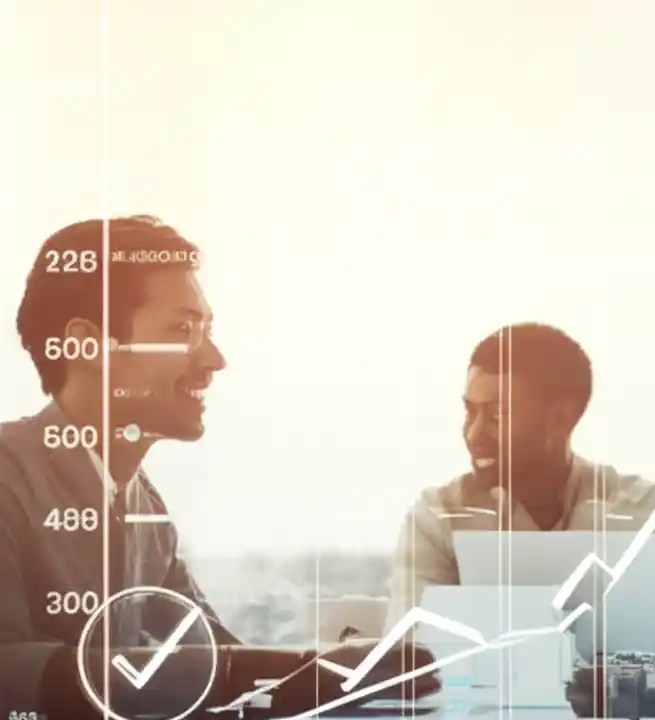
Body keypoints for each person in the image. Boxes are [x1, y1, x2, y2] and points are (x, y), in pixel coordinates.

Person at [0, 217, 435, 719]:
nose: (214, 358)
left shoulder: (146, 511)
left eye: (207, 331)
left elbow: (211, 647)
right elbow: (8, 672)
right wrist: (280, 675)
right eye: (182, 330)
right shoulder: (8, 478)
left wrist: (326, 669)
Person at [385, 322, 655, 628]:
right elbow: (412, 658)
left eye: (498, 414)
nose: (474, 435)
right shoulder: (439, 517)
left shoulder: (647, 515)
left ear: (560, 419)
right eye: (471, 412)